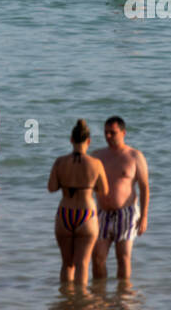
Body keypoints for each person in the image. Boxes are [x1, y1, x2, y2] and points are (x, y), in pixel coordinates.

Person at [48, 120, 109, 285]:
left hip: (64, 213)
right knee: (83, 264)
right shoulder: (96, 164)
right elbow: (104, 190)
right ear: (88, 141)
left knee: (67, 264)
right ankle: (81, 304)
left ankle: (67, 304)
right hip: (86, 214)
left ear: (71, 140)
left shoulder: (60, 162)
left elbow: (52, 188)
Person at [92, 116, 150, 280]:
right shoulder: (97, 156)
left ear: (123, 133)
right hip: (102, 213)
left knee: (123, 257)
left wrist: (144, 217)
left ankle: (123, 299)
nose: (108, 136)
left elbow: (144, 187)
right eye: (106, 133)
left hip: (127, 212)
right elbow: (88, 186)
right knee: (97, 257)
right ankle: (99, 295)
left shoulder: (135, 156)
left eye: (113, 133)